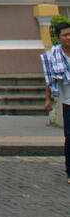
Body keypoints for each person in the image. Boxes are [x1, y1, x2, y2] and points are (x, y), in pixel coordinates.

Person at [41, 20, 70, 184]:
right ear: (59, 38)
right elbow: (49, 79)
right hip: (67, 102)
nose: (69, 37)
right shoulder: (54, 56)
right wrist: (47, 99)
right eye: (65, 35)